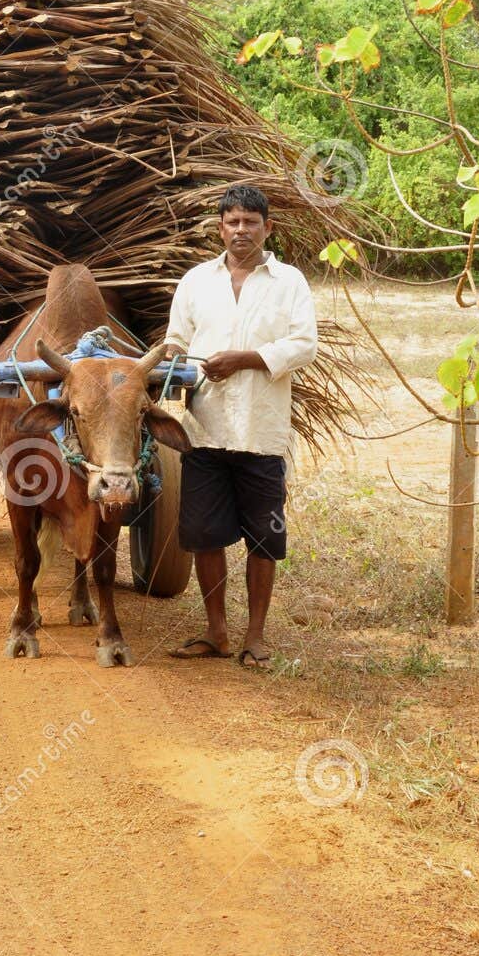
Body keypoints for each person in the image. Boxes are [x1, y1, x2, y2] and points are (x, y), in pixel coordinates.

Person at [163, 182, 318, 668]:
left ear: (267, 228)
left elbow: (304, 345)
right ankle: (216, 632)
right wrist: (170, 363)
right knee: (205, 534)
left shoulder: (289, 281)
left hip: (261, 432)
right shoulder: (195, 282)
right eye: (232, 222)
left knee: (264, 539)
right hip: (205, 430)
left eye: (251, 222)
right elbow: (176, 340)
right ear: (220, 228)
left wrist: (246, 360)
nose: (241, 230)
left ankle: (255, 635)